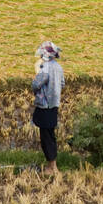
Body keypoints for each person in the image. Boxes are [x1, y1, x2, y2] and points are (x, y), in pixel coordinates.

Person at [31, 41, 64, 173]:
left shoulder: (45, 68)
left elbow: (36, 84)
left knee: (46, 136)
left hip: (45, 105)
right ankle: (53, 165)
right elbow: (62, 83)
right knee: (51, 134)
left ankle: (51, 167)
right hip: (54, 104)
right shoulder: (58, 67)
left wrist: (37, 72)